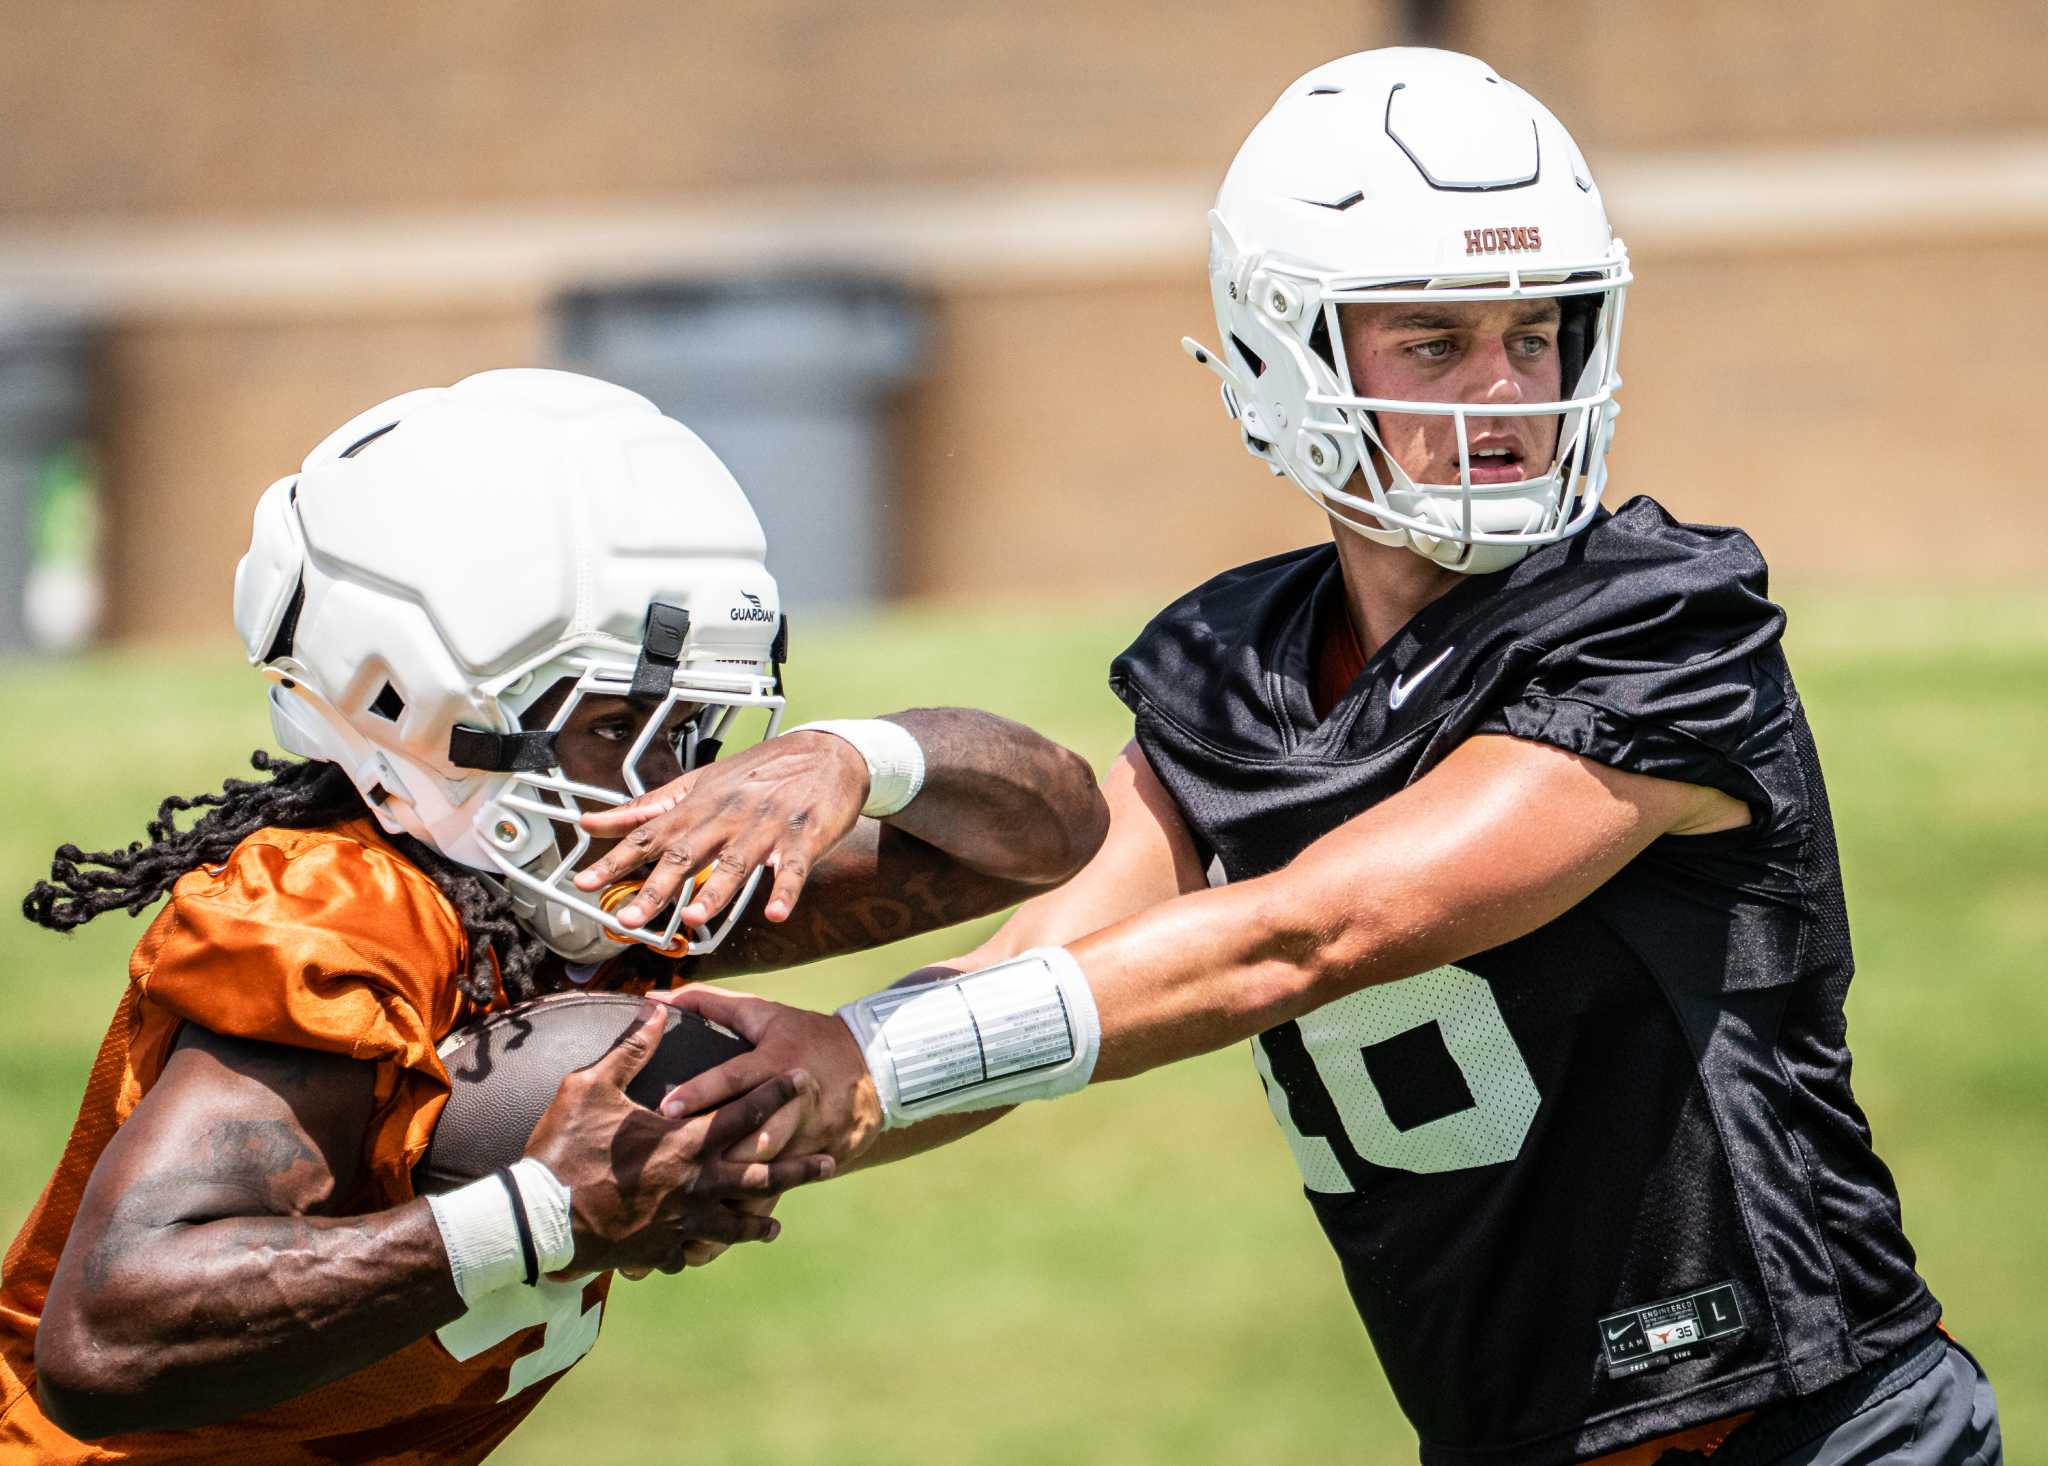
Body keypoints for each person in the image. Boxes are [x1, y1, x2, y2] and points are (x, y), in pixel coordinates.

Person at [617, 50, 2002, 1466]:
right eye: (1433, 343)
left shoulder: (1659, 624)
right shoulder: (1233, 667)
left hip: (1805, 1425)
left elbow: (1313, 930)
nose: (1505, 392)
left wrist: (870, 1059)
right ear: (1291, 356)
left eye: (1536, 334)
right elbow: (1035, 965)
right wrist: (782, 1110)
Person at [1, 368, 1107, 1463]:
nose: (671, 779)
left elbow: (1047, 836)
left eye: (693, 727)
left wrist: (857, 755)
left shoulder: (608, 874)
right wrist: (536, 1214)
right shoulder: (332, 914)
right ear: (407, 698)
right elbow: (104, 1344)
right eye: (619, 721)